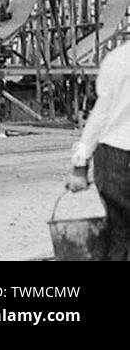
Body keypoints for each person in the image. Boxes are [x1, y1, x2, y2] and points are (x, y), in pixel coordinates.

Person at [66, 41, 130, 261]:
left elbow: (100, 115)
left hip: (112, 159)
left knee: (120, 233)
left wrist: (80, 164)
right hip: (116, 155)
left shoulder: (118, 58)